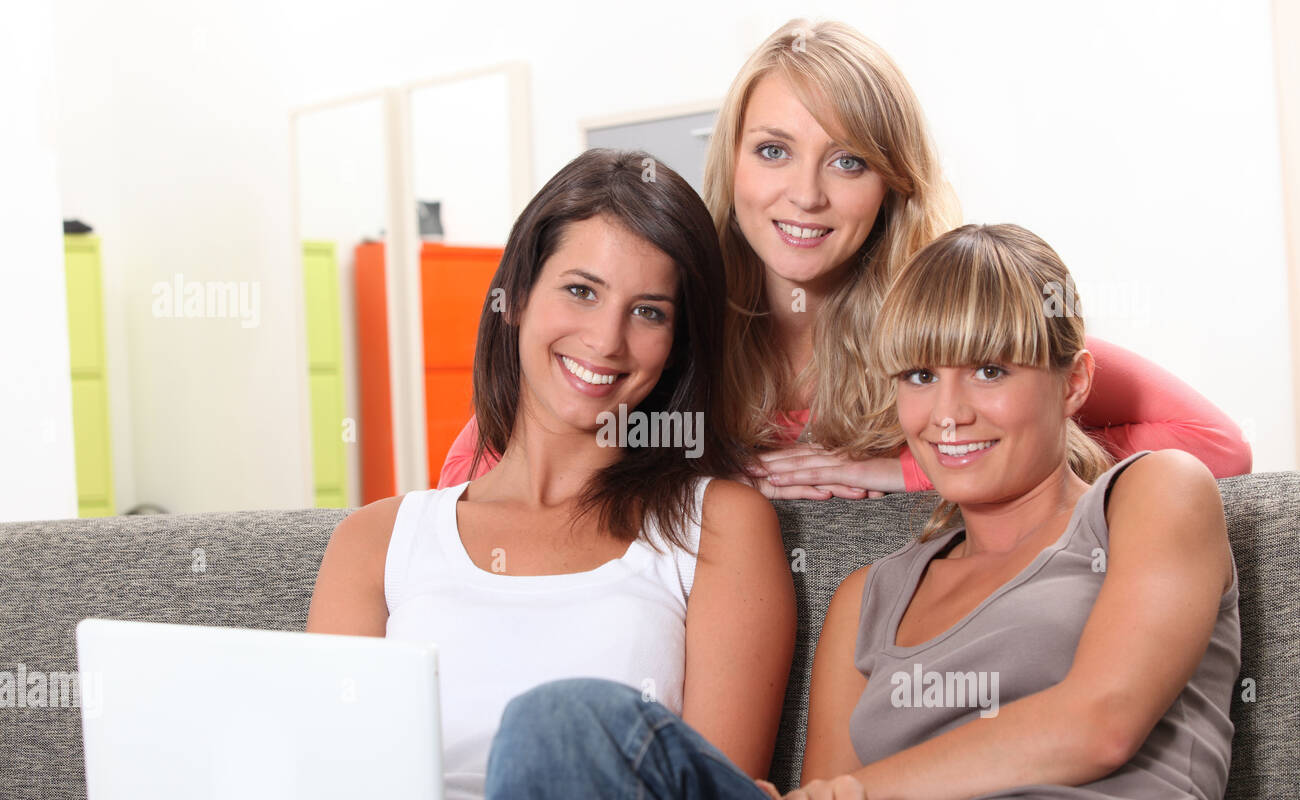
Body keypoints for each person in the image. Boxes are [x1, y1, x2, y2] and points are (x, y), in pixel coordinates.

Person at [61, 149, 796, 800]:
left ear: (678, 343)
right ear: (515, 300)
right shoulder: (378, 541)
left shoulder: (719, 524)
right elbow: (324, 792)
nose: (606, 339)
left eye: (648, 311)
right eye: (580, 290)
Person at [463, 223, 1240, 800]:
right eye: (919, 374)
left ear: (1073, 384)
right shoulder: (868, 597)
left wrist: (867, 794)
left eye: (991, 370)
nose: (948, 413)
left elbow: (1097, 721)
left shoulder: (1152, 495)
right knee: (561, 723)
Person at [436, 19, 1251, 499]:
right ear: (733, 162)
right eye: (774, 151)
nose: (807, 196)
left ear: (892, 185)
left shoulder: (943, 325)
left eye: (849, 161)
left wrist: (917, 464)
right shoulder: (668, 312)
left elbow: (1212, 442)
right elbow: (480, 464)